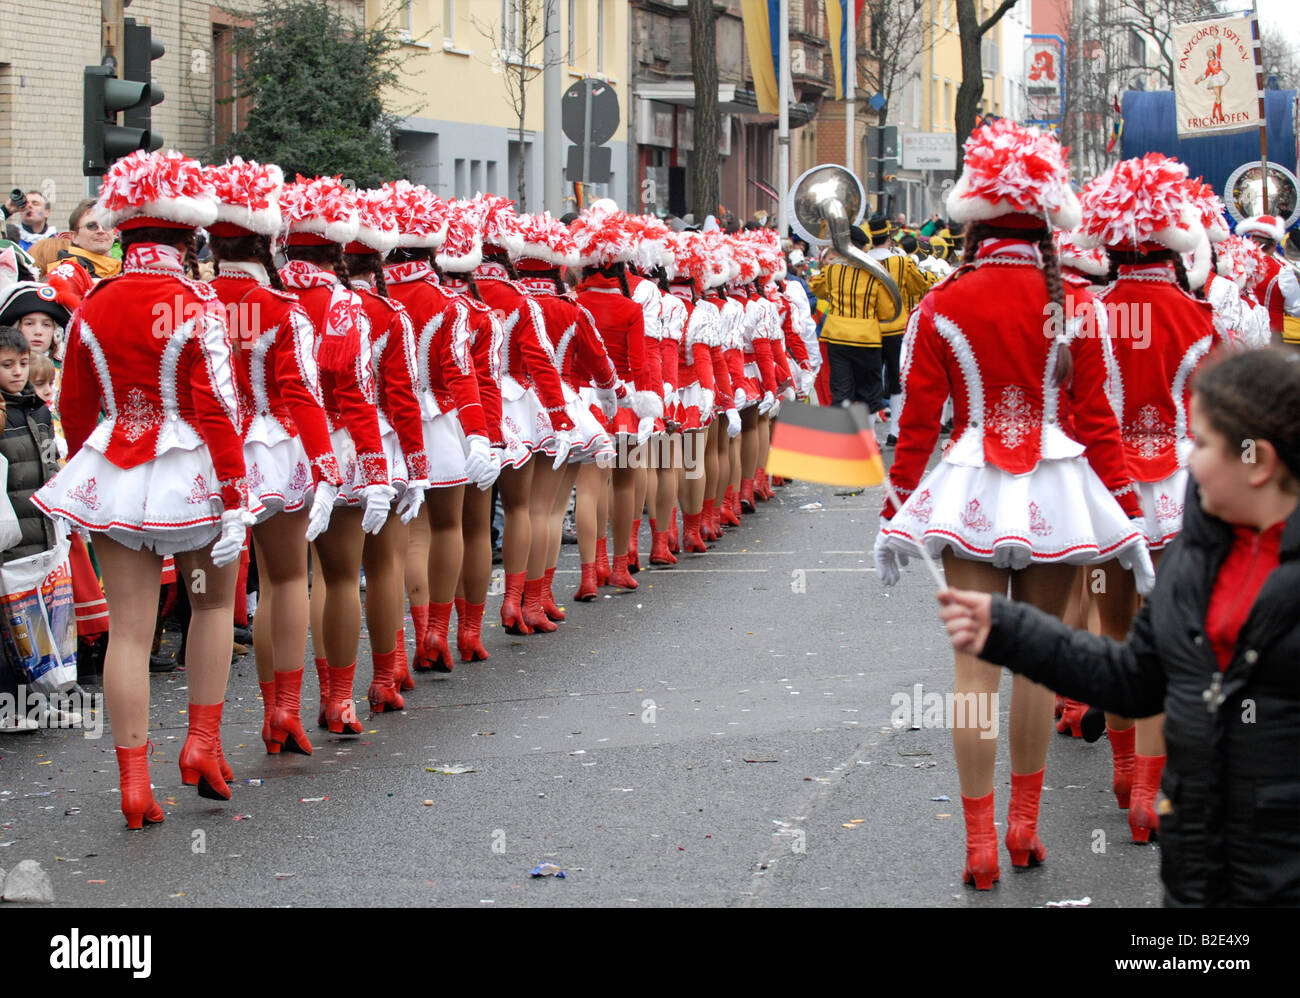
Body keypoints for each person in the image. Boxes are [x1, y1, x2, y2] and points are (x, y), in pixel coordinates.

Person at [873, 119, 1154, 890]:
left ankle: (978, 844)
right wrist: (1127, 513)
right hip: (1057, 495)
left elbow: (918, 424)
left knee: (973, 671)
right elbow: (1098, 428)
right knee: (1035, 663)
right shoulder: (1079, 305)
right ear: (1044, 217)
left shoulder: (942, 304)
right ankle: (1023, 827)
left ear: (976, 218)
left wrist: (895, 508)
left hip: (970, 493)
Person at [938, 347, 1300, 906]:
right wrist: (1013, 630)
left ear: (1259, 462)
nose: (1186, 462)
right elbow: (1136, 678)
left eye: (1200, 445)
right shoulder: (1196, 555)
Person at [33, 149, 254, 827]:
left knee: (130, 632)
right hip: (187, 476)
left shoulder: (95, 304)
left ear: (126, 236)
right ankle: (202, 746)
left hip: (116, 472)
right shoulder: (194, 303)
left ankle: (134, 785)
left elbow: (72, 405)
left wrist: (81, 469)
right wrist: (238, 494)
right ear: (188, 241)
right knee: (211, 608)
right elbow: (216, 409)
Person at [206, 157, 344, 754]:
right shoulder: (283, 308)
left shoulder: (191, 301)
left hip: (201, 456)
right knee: (289, 579)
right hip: (277, 445)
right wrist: (328, 467)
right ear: (267, 239)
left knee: (218, 597)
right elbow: (303, 395)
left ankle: (205, 738)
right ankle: (281, 713)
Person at [809, 221, 897, 424]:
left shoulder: (832, 270)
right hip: (867, 338)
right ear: (864, 247)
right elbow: (886, 311)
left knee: (841, 390)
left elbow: (817, 289)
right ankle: (868, 439)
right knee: (869, 391)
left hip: (837, 336)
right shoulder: (877, 272)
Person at [45, 198, 121, 310]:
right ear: (74, 237)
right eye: (91, 226)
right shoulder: (69, 271)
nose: (100, 230)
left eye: (106, 225)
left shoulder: (124, 267)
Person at [1235, 214, 1300, 344]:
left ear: (1251, 239)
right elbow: (1296, 309)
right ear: (1275, 245)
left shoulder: (1234, 260)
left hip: (1239, 333)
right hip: (1270, 334)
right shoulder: (1282, 272)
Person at [0, 281, 69, 365]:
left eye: (46, 325)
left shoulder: (66, 368)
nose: (38, 332)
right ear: (16, 328)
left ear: (57, 332)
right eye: (29, 323)